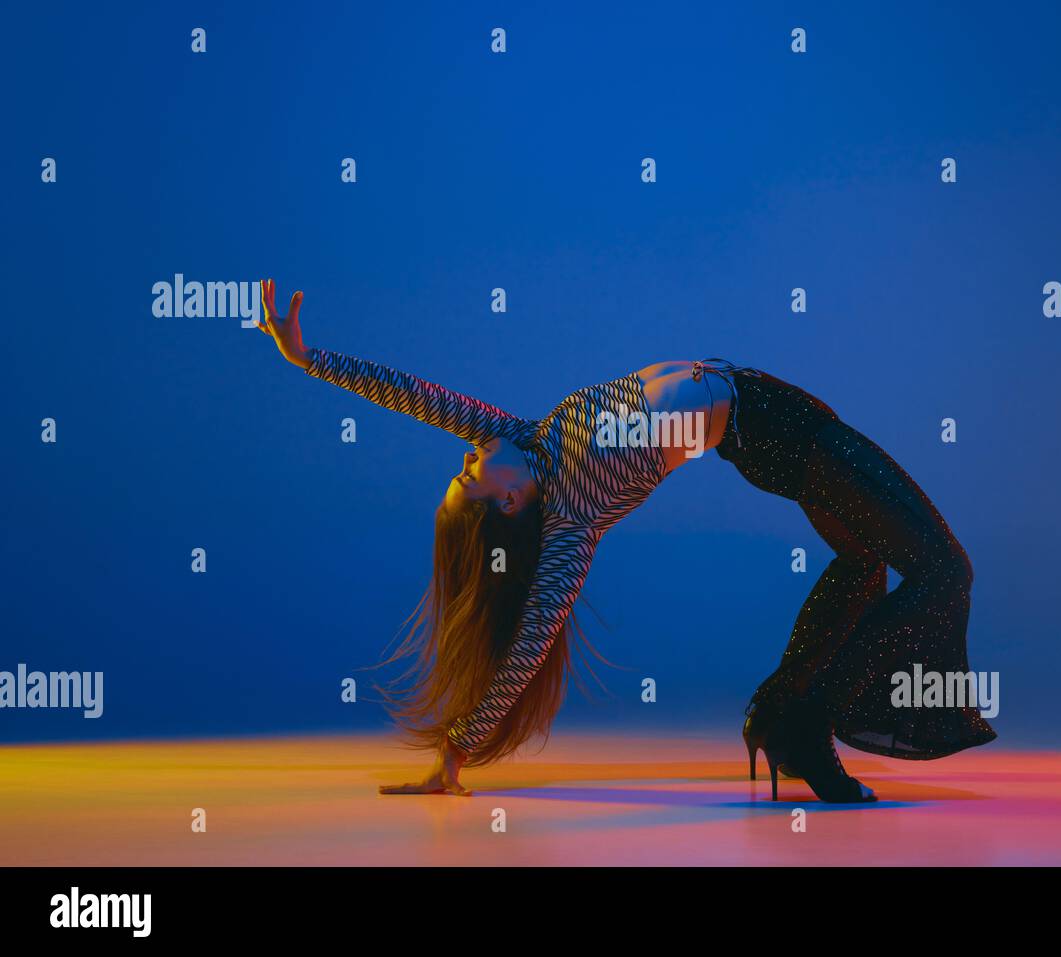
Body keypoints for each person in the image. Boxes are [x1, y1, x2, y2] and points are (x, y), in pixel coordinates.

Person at [256, 279, 996, 803]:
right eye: (469, 474)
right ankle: (813, 718)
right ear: (508, 499)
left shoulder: (523, 439)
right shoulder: (571, 525)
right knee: (944, 569)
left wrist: (308, 358)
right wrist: (455, 748)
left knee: (864, 563)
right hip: (778, 435)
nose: (468, 452)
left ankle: (785, 712)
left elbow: (417, 396)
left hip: (771, 405)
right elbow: (525, 653)